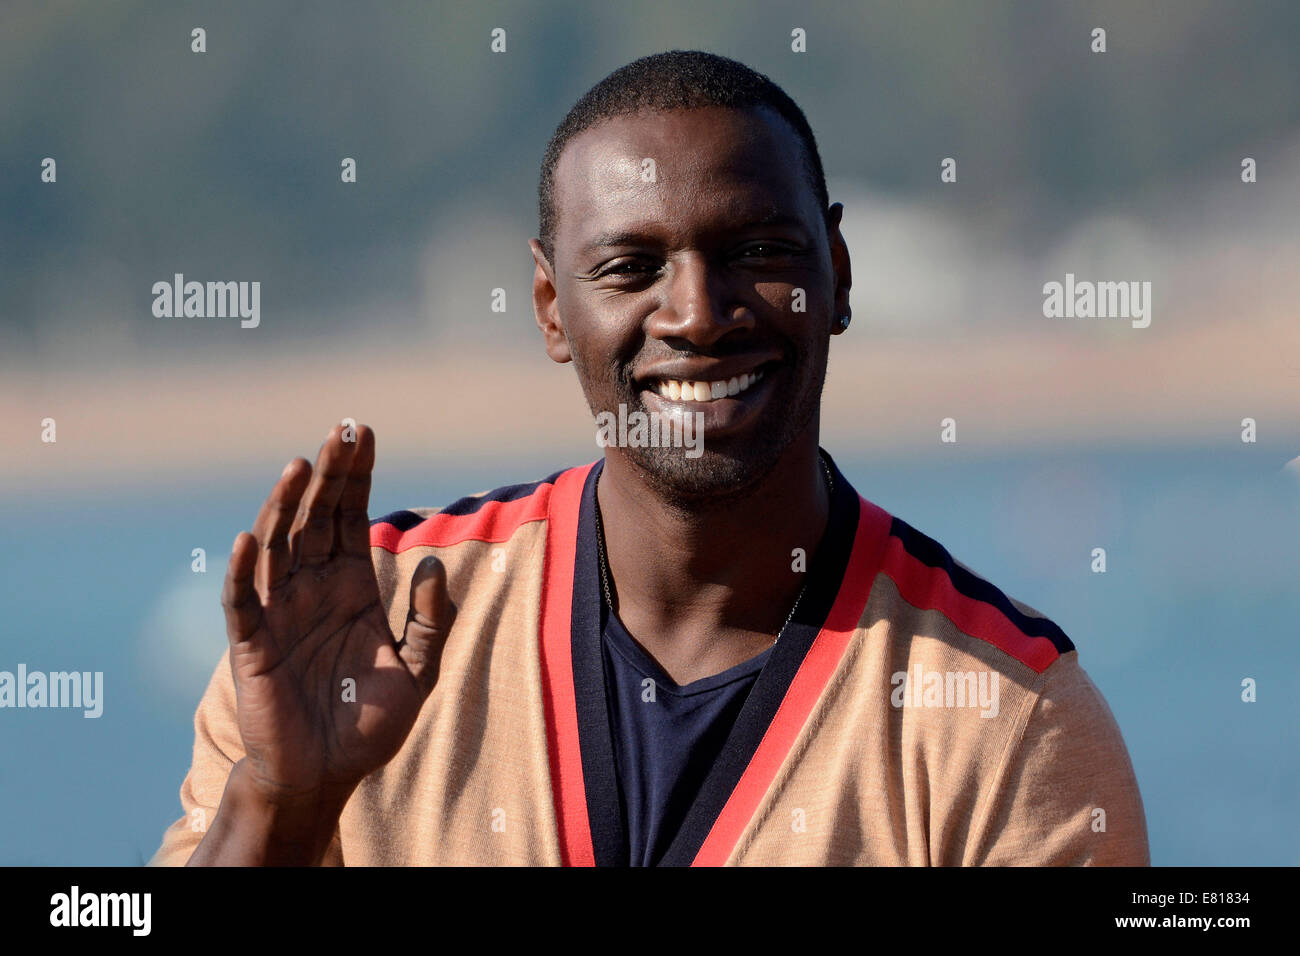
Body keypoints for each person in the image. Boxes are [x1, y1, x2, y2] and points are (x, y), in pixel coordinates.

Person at [151, 50, 1149, 866]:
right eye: (631, 268)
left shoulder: (1006, 715)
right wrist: (278, 803)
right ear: (551, 308)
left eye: (757, 251)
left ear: (835, 274)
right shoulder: (367, 621)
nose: (696, 315)